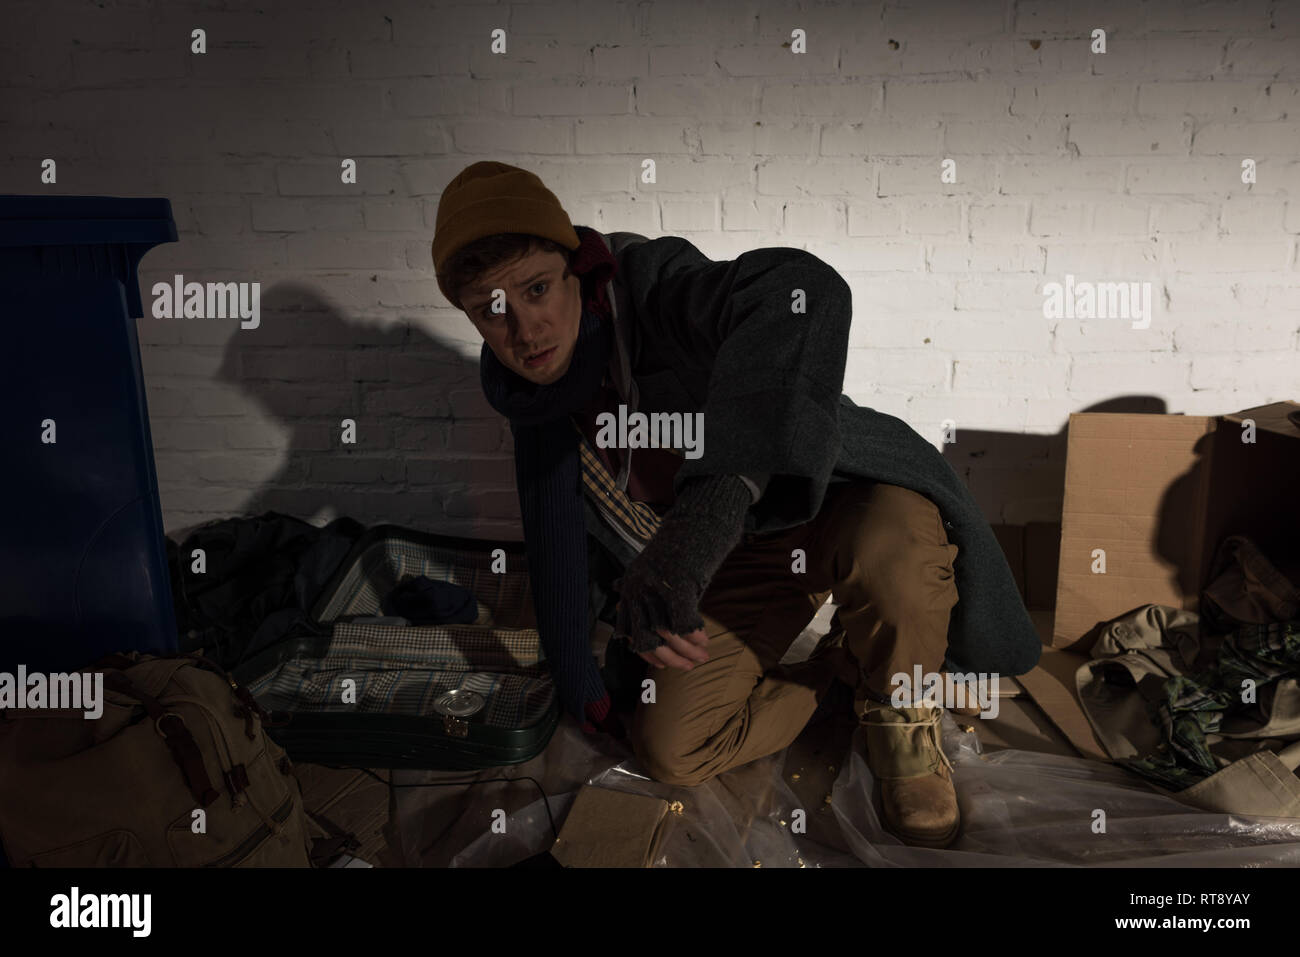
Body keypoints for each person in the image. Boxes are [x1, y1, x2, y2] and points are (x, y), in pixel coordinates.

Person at [430, 161, 1041, 849]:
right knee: (670, 746)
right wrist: (583, 682)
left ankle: (901, 714)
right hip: (737, 559)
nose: (526, 327)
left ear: (581, 269)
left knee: (892, 549)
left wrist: (695, 530)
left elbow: (805, 290)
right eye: (492, 308)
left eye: (537, 288)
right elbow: (554, 539)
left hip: (828, 501)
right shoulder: (533, 401)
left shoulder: (653, 288)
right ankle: (850, 678)